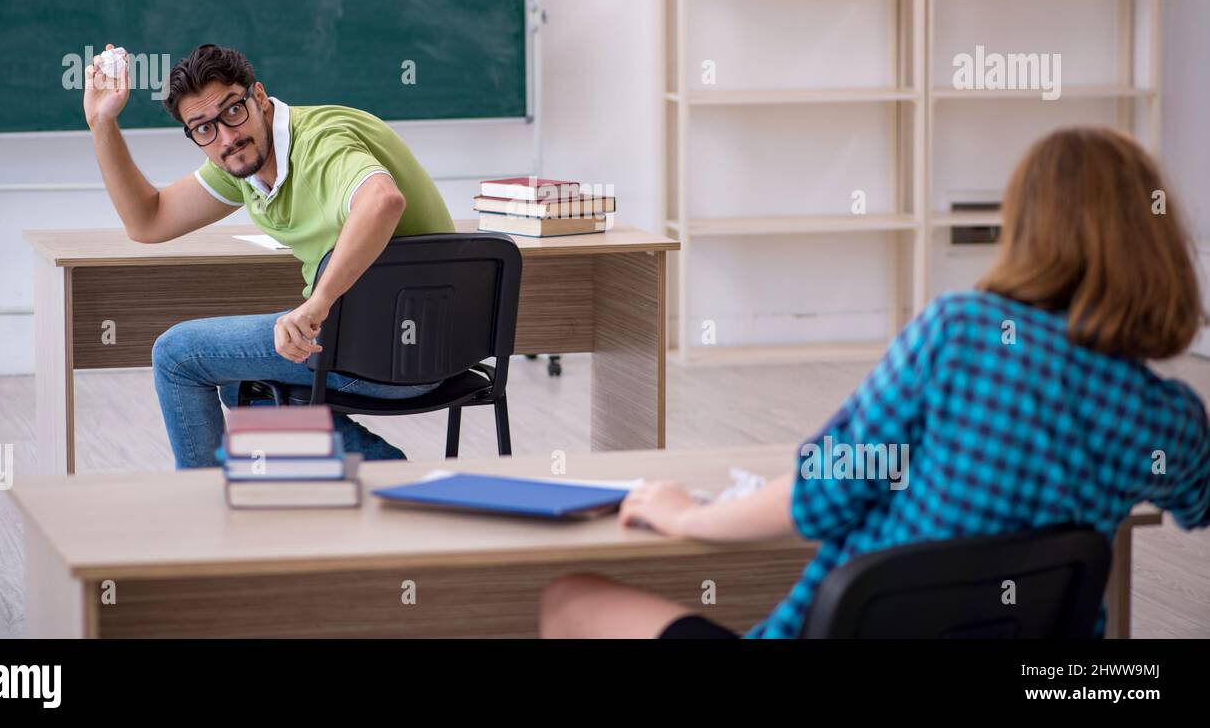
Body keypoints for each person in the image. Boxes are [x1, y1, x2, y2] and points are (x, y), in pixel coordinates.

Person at [540, 126, 1210, 638]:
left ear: (1028, 229)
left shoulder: (961, 332)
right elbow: (1199, 502)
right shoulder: (1166, 417)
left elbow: (825, 493)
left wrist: (686, 514)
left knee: (571, 598)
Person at [82, 43, 455, 467]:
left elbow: (383, 200)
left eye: (233, 111)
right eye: (203, 129)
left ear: (258, 97)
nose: (227, 137)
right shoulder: (241, 161)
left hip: (395, 353)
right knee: (238, 383)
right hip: (439, 347)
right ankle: (381, 468)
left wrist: (317, 304)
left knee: (177, 356)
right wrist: (102, 123)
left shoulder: (319, 142)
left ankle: (200, 500)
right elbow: (148, 221)